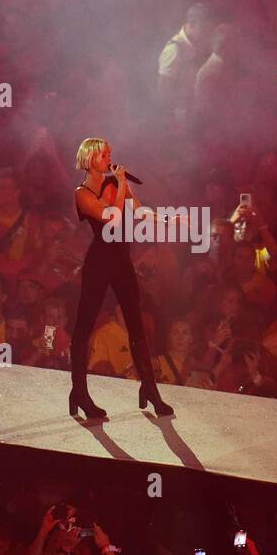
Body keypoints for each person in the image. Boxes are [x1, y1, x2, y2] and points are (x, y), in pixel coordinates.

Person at [69, 138, 172, 419]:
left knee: (136, 324)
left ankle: (150, 389)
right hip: (99, 264)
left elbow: (137, 210)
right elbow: (111, 217)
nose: (110, 158)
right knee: (84, 326)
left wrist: (166, 220)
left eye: (110, 154)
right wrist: (122, 182)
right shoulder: (82, 193)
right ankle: (78, 391)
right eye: (104, 154)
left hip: (122, 263)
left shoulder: (116, 184)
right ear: (90, 159)